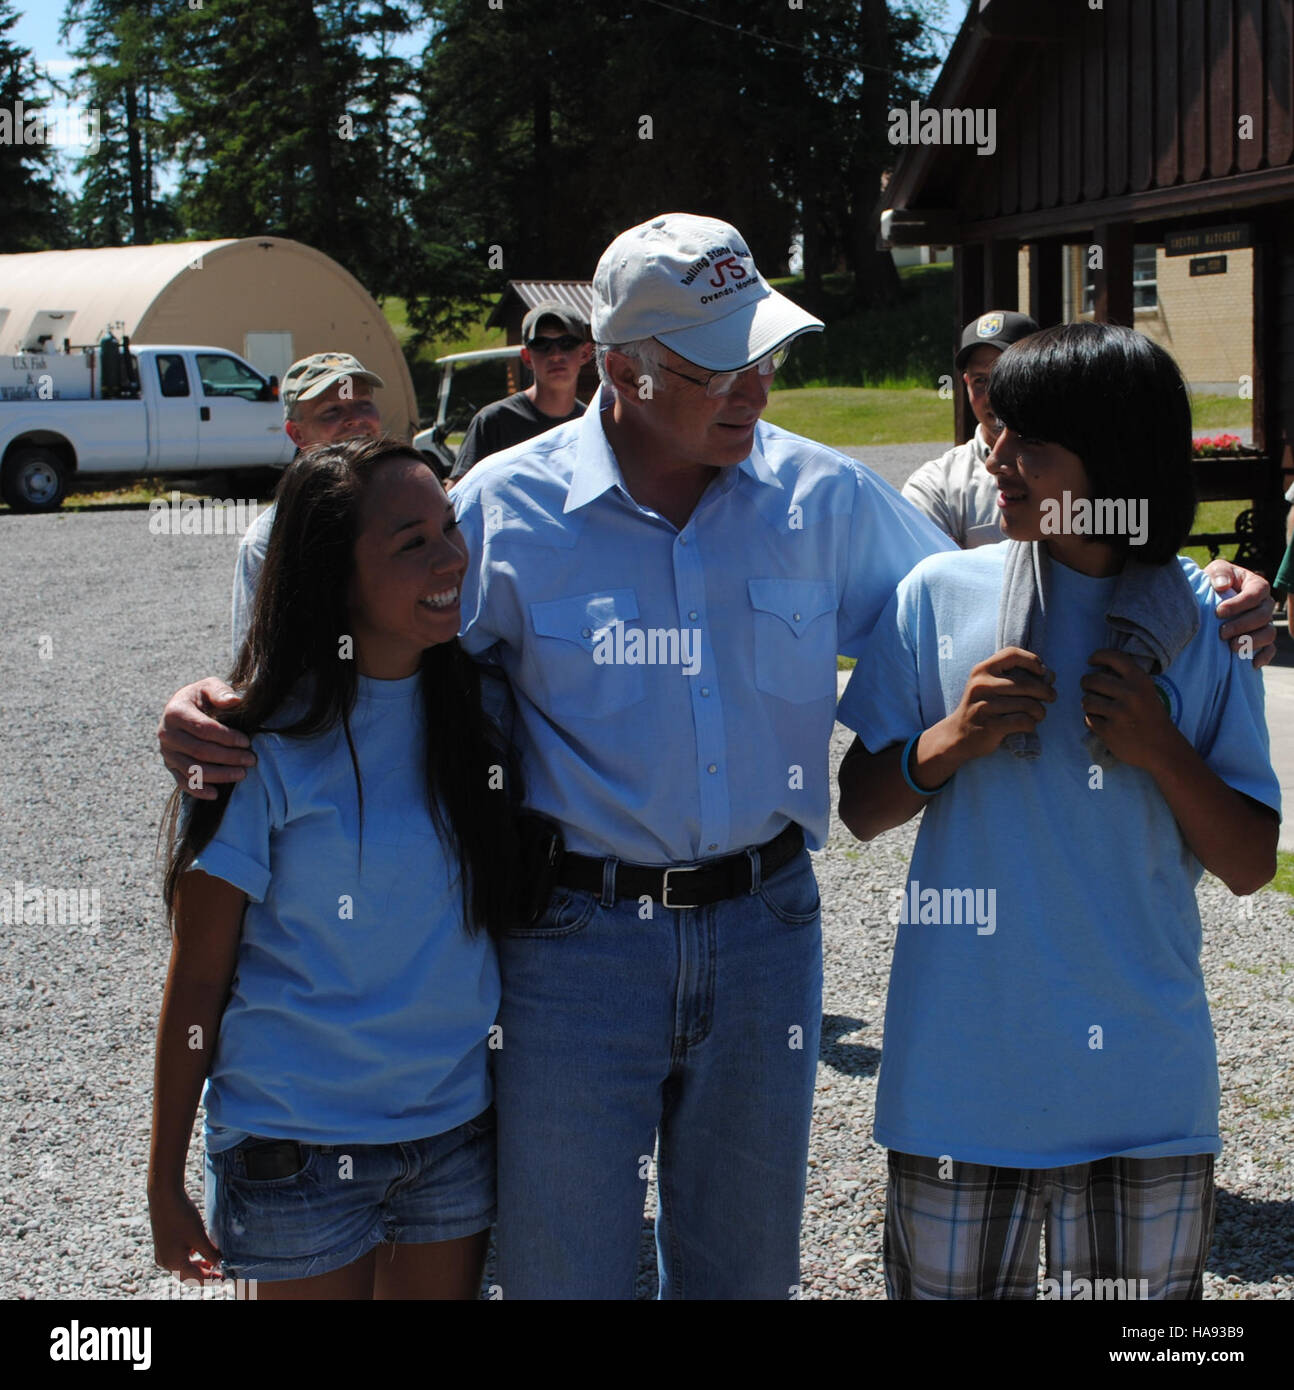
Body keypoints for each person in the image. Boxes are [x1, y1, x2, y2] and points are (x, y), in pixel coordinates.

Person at [156, 214, 1277, 1300]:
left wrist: (1198, 584)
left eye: (765, 357)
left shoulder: (822, 497)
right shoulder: (502, 505)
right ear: (620, 366)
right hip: (571, 942)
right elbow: (354, 611)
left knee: (743, 1275)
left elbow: (1005, 577)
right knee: (565, 1273)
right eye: (719, 364)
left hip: (762, 936)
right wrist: (212, 703)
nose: (754, 387)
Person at [836, 322, 1280, 1301]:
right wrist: (948, 740)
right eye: (991, 429)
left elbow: (1250, 862)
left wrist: (1159, 747)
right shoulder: (935, 593)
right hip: (954, 1089)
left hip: (1144, 1094)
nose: (992, 457)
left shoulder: (1203, 620)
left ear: (1112, 456)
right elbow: (858, 809)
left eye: (1025, 440)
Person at [148, 435, 519, 1299]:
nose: (451, 558)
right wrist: (165, 1180)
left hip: (452, 1137)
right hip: (293, 1148)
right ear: (332, 575)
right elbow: (198, 978)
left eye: (451, 527)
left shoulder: (484, 710)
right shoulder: (252, 749)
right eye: (411, 542)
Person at [231, 352, 385, 655]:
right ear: (296, 433)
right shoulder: (271, 540)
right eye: (332, 411)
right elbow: (255, 663)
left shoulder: (420, 506)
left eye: (363, 403)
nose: (355, 418)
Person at [902, 310, 1039, 548]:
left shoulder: (1070, 468)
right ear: (965, 383)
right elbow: (930, 574)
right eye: (980, 381)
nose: (993, 396)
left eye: (1005, 376)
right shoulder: (937, 484)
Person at [448, 302, 593, 484]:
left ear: (586, 353)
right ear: (526, 357)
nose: (556, 355)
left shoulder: (592, 426)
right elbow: (457, 500)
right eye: (542, 344)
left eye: (566, 343)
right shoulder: (493, 423)